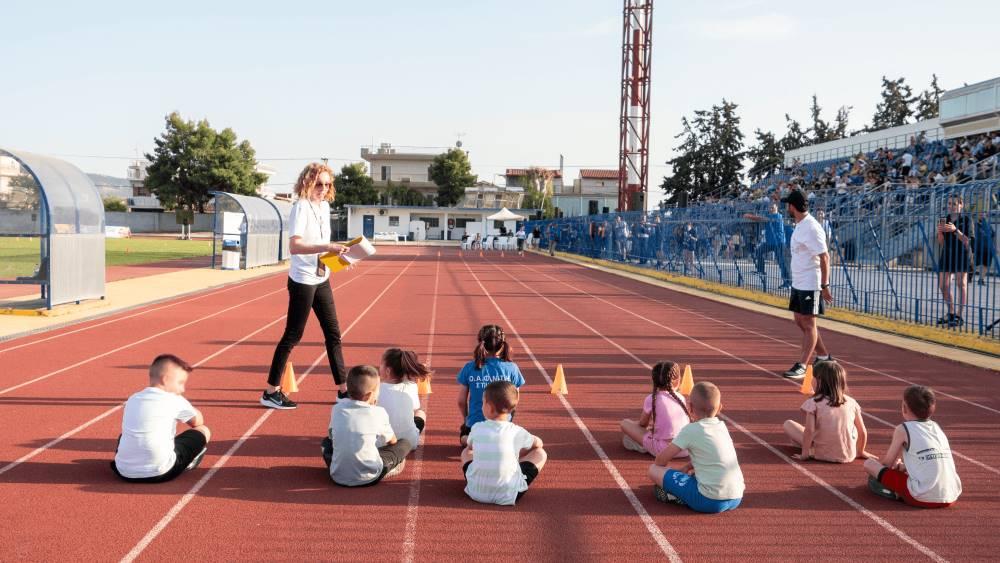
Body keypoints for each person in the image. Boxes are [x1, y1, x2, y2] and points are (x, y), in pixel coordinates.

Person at [262, 163, 350, 410]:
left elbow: (322, 244)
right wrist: (327, 247)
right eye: (319, 184)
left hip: (322, 276)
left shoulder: (324, 207)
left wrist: (340, 255)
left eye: (327, 184)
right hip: (302, 280)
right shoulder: (300, 207)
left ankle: (343, 390)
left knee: (333, 334)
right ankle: (271, 391)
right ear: (307, 183)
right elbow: (295, 247)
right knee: (292, 336)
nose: (323, 189)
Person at [111, 354, 211, 483]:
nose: (182, 389)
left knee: (125, 436)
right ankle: (188, 461)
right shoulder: (175, 399)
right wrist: (190, 407)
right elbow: (197, 422)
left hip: (123, 472)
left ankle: (132, 461)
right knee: (203, 430)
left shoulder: (133, 398)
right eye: (180, 383)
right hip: (161, 472)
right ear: (165, 380)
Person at [647, 382, 744, 514]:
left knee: (654, 470)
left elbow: (660, 461)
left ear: (690, 407)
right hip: (736, 497)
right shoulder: (722, 427)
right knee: (694, 476)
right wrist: (687, 467)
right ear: (720, 408)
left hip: (708, 501)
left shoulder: (691, 430)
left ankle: (677, 496)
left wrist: (673, 471)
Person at [864, 385, 962, 508]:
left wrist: (889, 468)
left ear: (904, 407)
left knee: (869, 465)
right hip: (952, 495)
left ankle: (895, 493)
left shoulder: (903, 429)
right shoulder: (936, 427)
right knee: (903, 468)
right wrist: (903, 467)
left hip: (922, 497)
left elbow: (887, 464)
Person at [324, 365, 412, 486]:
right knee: (405, 443)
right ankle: (389, 468)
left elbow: (331, 437)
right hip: (369, 477)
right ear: (370, 395)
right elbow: (392, 441)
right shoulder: (378, 412)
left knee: (326, 443)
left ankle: (342, 464)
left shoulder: (337, 409)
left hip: (337, 475)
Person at [461, 381, 547, 506]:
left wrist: (465, 438)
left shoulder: (477, 427)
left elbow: (470, 446)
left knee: (466, 452)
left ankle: (480, 480)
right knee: (540, 453)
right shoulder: (517, 431)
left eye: (483, 402)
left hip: (476, 493)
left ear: (489, 407)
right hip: (508, 495)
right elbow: (539, 443)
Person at [781, 189, 834, 380]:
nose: (787, 207)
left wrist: (824, 285)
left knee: (809, 323)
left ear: (792, 206)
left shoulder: (812, 227)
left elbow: (824, 256)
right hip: (799, 282)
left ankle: (802, 365)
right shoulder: (800, 225)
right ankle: (824, 356)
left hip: (811, 283)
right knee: (799, 320)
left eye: (788, 204)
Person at [782, 361, 869, 463]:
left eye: (813, 378)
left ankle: (810, 450)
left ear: (819, 381)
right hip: (849, 455)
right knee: (849, 427)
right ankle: (848, 448)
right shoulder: (851, 402)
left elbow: (809, 430)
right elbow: (862, 431)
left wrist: (805, 454)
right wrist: (861, 451)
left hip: (821, 454)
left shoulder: (813, 403)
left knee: (788, 424)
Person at [457, 325, 525, 446]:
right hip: (502, 424)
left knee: (464, 435)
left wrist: (466, 419)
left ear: (480, 342)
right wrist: (508, 418)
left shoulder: (469, 367)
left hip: (475, 424)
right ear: (502, 344)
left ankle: (468, 440)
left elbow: (461, 401)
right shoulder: (512, 368)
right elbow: (515, 399)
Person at [620, 361, 690, 457]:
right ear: (678, 381)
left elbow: (642, 424)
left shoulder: (652, 398)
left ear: (654, 381)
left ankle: (642, 445)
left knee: (625, 423)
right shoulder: (681, 398)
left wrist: (635, 426)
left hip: (663, 451)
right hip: (685, 450)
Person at [378, 348, 432, 452]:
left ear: (388, 371)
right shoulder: (411, 386)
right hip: (409, 442)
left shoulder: (376, 389)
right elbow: (415, 407)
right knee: (420, 412)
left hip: (382, 443)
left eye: (381, 364)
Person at [935, 195, 974, 328]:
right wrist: (939, 233)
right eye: (949, 203)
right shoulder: (944, 219)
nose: (951, 206)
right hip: (947, 254)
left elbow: (968, 241)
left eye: (954, 204)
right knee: (942, 285)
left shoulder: (967, 220)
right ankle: (951, 312)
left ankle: (959, 315)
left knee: (961, 284)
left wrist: (955, 230)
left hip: (962, 255)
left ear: (961, 205)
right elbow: (941, 243)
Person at [743, 204, 791, 289]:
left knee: (782, 263)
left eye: (773, 207)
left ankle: (788, 283)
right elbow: (761, 220)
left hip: (779, 243)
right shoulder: (769, 215)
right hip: (769, 242)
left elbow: (761, 219)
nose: (771, 209)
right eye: (770, 207)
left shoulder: (778, 216)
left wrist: (750, 216)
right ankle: (761, 270)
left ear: (777, 208)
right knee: (758, 251)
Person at [974, 211, 994, 287]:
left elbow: (993, 236)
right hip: (977, 248)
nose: (982, 215)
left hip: (988, 248)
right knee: (974, 264)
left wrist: (994, 247)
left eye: (983, 214)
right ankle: (969, 275)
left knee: (986, 264)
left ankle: (981, 279)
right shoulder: (975, 225)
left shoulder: (989, 226)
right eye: (980, 214)